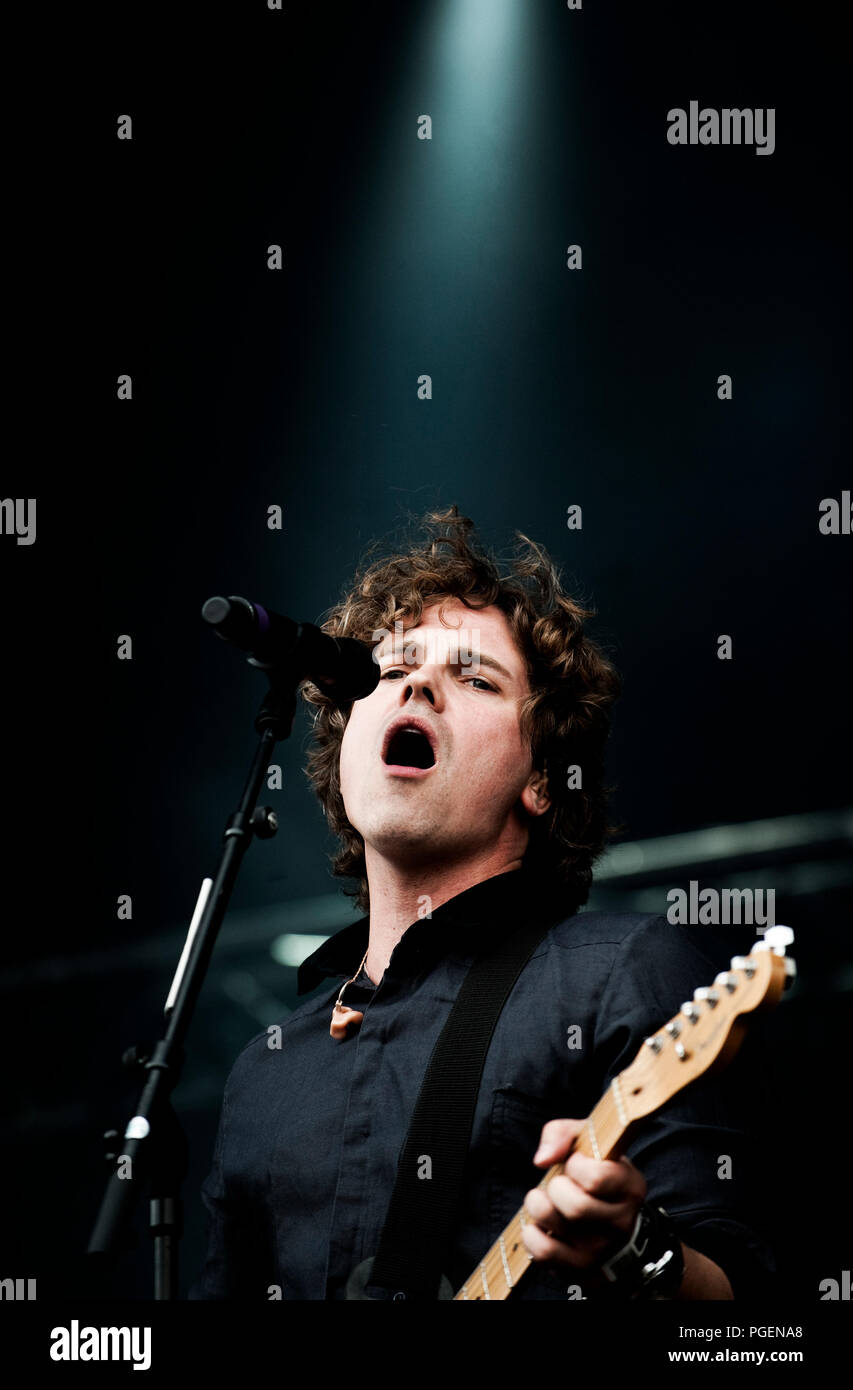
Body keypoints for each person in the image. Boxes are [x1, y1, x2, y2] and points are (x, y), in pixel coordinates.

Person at [191, 507, 777, 1301]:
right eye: (390, 670)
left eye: (474, 678)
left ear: (541, 780)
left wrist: (635, 1246)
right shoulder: (267, 1070)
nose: (419, 684)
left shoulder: (616, 976)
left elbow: (750, 1325)